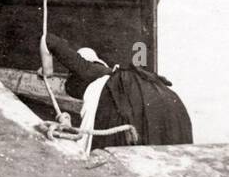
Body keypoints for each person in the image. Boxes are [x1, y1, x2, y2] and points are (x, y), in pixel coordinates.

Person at [46, 33, 193, 154]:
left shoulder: (89, 69)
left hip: (138, 99)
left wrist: (47, 68)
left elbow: (49, 40)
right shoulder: (108, 76)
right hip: (160, 99)